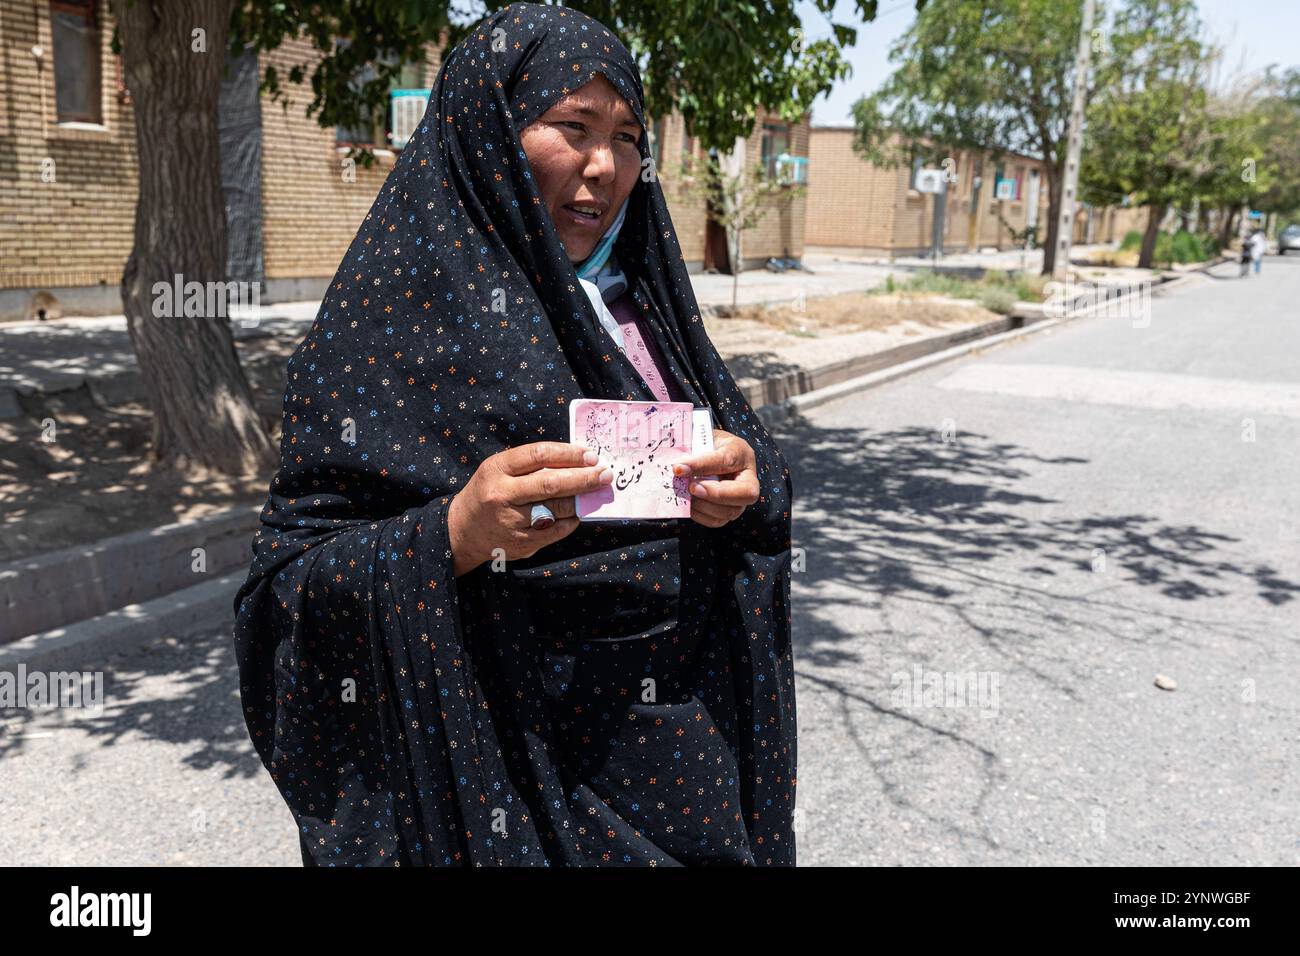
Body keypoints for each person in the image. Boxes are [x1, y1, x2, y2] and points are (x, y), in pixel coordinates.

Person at [232, 1, 797, 867]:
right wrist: (453, 535)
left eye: (627, 135)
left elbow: (754, 482)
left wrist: (746, 480)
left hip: (685, 771)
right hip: (509, 781)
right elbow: (287, 591)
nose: (604, 166)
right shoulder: (388, 326)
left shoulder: (649, 307)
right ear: (488, 130)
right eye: (572, 126)